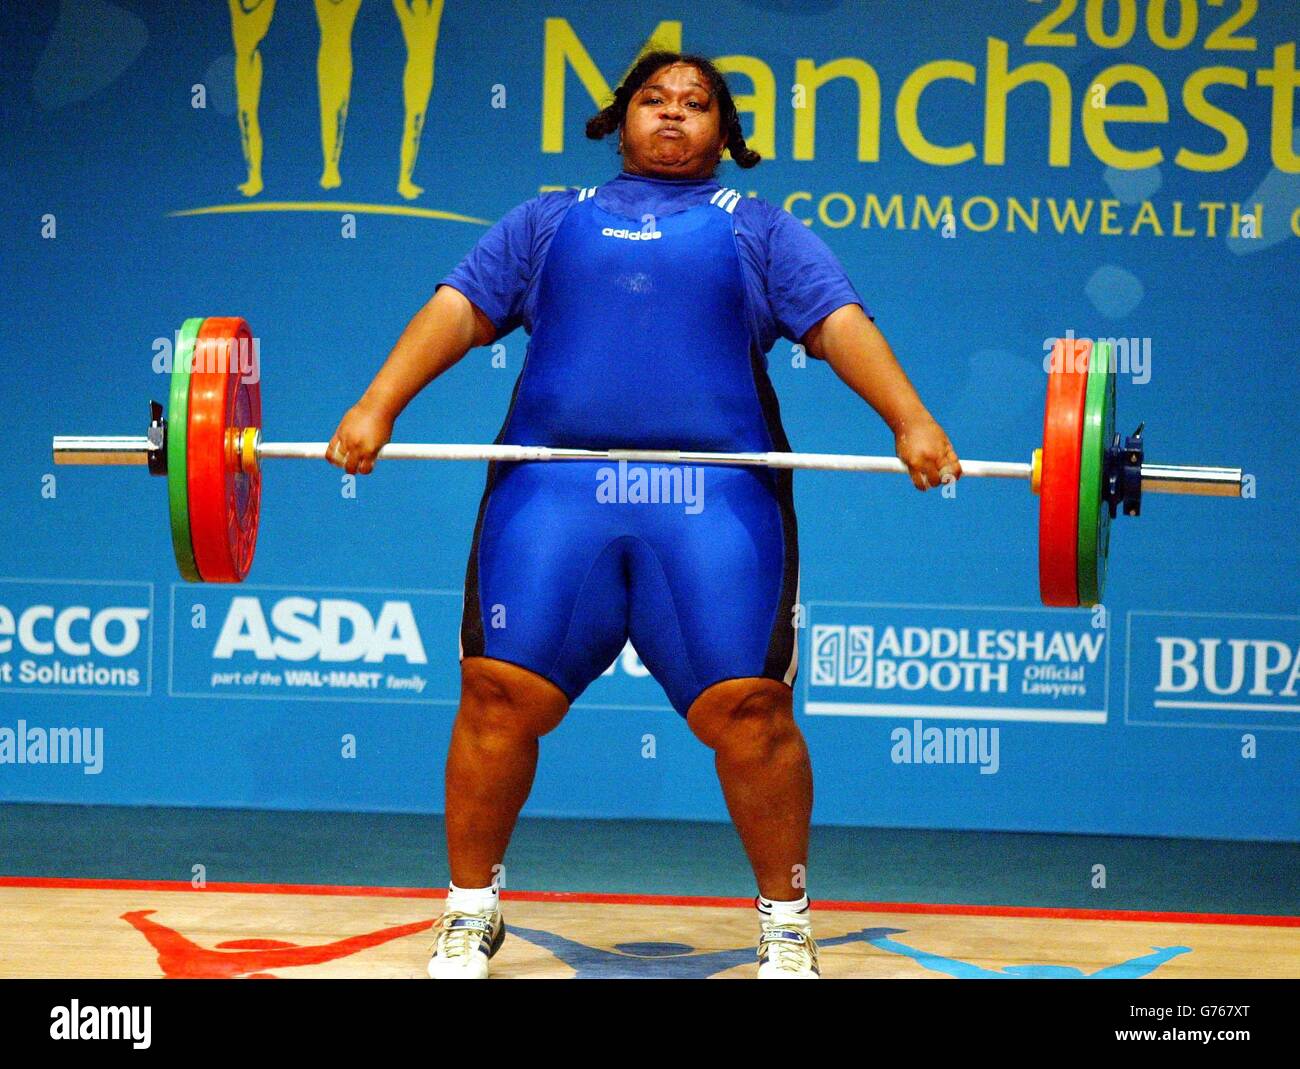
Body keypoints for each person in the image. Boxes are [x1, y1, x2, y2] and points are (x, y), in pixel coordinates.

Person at [327, 50, 962, 980]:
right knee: (501, 693)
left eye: (695, 104)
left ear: (725, 131)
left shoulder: (761, 231)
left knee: (749, 709)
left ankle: (785, 924)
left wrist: (912, 420)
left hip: (710, 496)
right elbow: (460, 309)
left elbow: (837, 322)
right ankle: (469, 912)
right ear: (619, 121)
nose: (672, 116)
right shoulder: (550, 220)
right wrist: (377, 405)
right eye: (653, 101)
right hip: (555, 488)